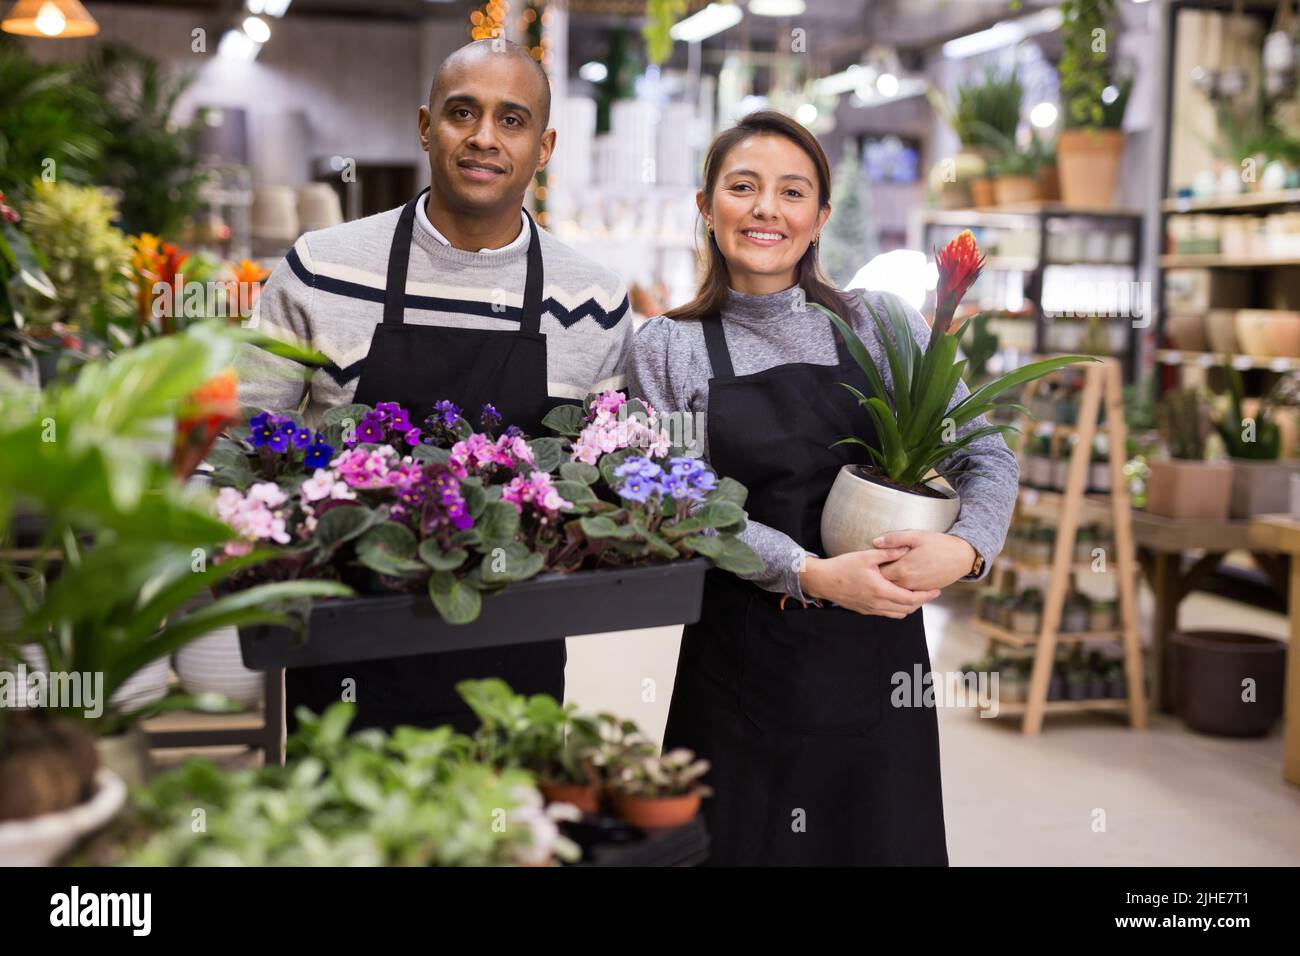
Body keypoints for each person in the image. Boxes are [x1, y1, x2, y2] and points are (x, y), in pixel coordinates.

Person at [626, 110, 1018, 866]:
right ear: (706, 208)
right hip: (738, 670)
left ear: (820, 219)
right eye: (743, 187)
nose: (767, 208)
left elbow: (987, 455)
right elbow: (674, 500)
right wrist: (808, 571)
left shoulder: (882, 326)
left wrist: (968, 550)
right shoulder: (668, 350)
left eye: (792, 192)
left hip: (878, 666)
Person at [236, 39, 632, 735]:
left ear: (544, 147)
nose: (484, 138)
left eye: (512, 120)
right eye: (461, 113)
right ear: (426, 127)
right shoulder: (322, 268)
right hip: (344, 643)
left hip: (518, 650)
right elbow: (238, 442)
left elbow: (600, 481)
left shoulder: (594, 298)